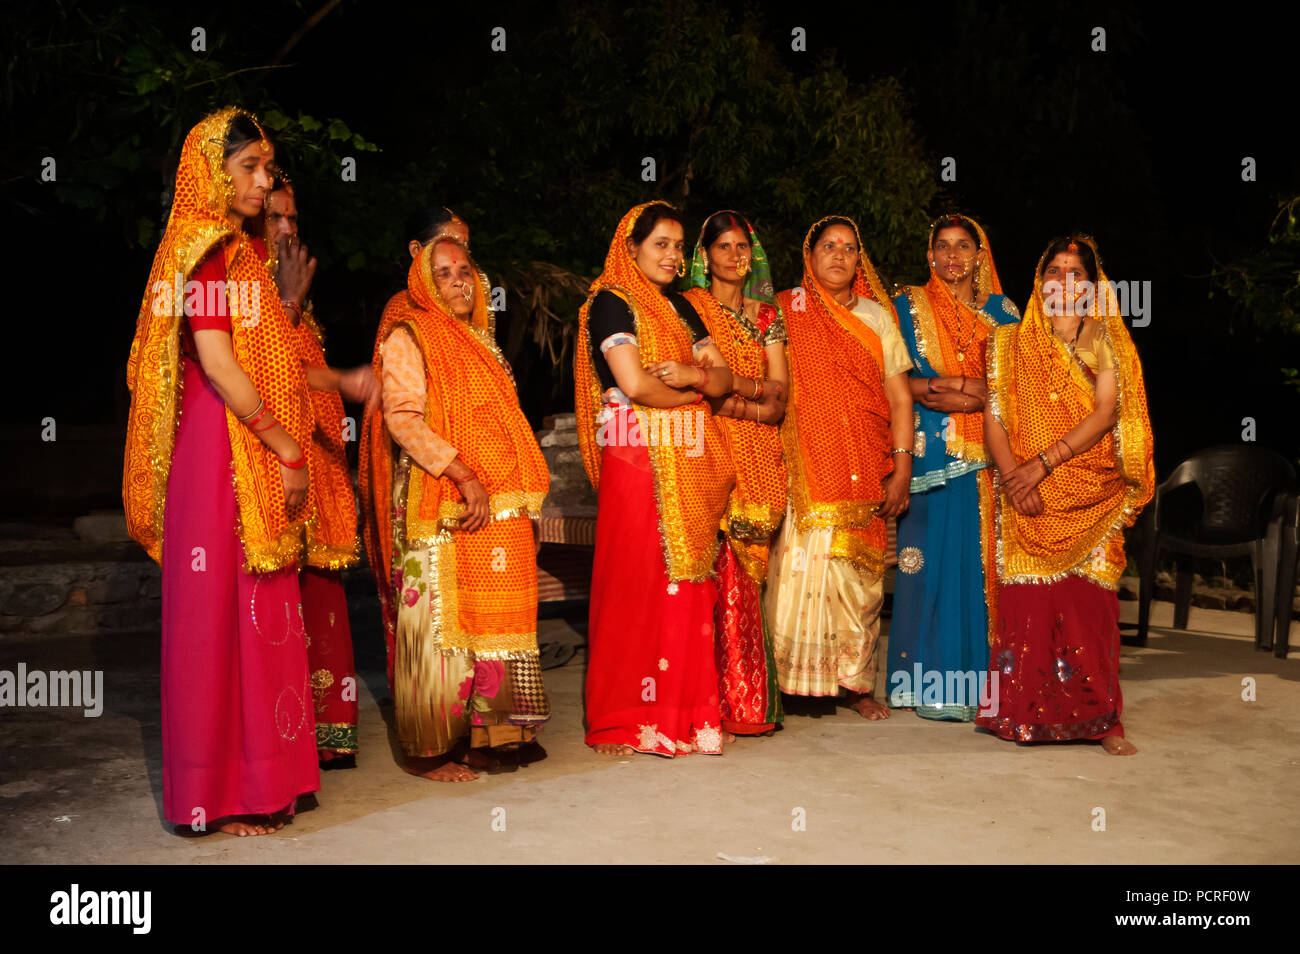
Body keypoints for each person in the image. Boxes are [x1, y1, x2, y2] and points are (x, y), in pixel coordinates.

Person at [124, 107, 320, 835]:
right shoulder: (205, 249)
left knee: (258, 607)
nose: (264, 182)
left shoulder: (235, 250)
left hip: (240, 435)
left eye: (267, 168)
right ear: (212, 170)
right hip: (220, 441)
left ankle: (264, 779)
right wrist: (287, 447)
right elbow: (216, 361)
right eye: (250, 169)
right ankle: (221, 793)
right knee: (222, 613)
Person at [359, 223, 550, 781]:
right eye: (443, 274)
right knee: (441, 626)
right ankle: (433, 749)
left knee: (496, 617)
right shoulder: (410, 335)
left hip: (498, 507)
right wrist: (464, 475)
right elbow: (402, 418)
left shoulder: (481, 340)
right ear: (423, 282)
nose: (459, 282)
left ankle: (494, 735)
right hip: (439, 499)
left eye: (465, 271)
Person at [975, 235, 1154, 754]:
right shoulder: (1007, 343)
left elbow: (1105, 414)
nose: (1064, 281)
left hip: (1087, 487)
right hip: (1023, 488)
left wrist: (1043, 464)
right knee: (1030, 601)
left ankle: (1100, 720)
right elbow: (994, 417)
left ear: (1093, 286)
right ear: (1039, 278)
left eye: (1077, 273)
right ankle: (1022, 714)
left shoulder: (1107, 340)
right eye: (1055, 270)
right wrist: (1014, 477)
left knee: (1087, 609)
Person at [575, 201, 737, 757]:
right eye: (660, 244)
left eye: (677, 245)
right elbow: (635, 386)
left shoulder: (680, 310)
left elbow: (724, 377)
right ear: (631, 247)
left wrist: (696, 376)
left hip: (686, 459)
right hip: (636, 457)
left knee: (687, 581)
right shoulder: (611, 304)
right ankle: (626, 717)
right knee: (637, 579)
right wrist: (696, 392)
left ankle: (681, 716)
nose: (672, 256)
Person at [765, 216, 913, 720]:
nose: (838, 255)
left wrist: (902, 466)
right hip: (805, 462)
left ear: (858, 259)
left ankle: (855, 684)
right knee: (796, 570)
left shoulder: (877, 316)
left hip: (865, 462)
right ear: (810, 255)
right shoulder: (787, 308)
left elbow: (898, 396)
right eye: (828, 246)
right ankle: (788, 680)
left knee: (860, 578)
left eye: (849, 248)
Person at [886, 214, 1021, 720]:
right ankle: (917, 684)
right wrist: (955, 390)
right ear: (929, 255)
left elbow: (1014, 385)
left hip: (986, 456)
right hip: (924, 454)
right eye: (942, 247)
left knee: (976, 564)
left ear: (980, 256)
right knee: (923, 564)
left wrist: (974, 396)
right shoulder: (905, 306)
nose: (952, 256)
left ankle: (975, 688)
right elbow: (893, 382)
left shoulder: (1004, 312)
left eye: (963, 246)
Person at [265, 178, 379, 764]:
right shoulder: (244, 289)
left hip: (318, 458)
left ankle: (328, 737)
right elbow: (263, 372)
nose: (288, 231)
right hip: (270, 463)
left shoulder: (292, 293)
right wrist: (341, 380)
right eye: (276, 218)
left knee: (322, 598)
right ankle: (289, 740)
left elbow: (295, 363)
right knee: (282, 603)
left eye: (294, 220)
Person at [681, 210, 787, 736]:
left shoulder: (767, 317)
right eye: (722, 246)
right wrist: (747, 393)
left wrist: (729, 392)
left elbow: (780, 396)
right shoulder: (688, 311)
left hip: (758, 460)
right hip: (704, 454)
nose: (733, 255)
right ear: (704, 256)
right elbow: (696, 391)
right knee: (701, 572)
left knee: (745, 578)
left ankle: (745, 703)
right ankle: (698, 701)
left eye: (742, 246)